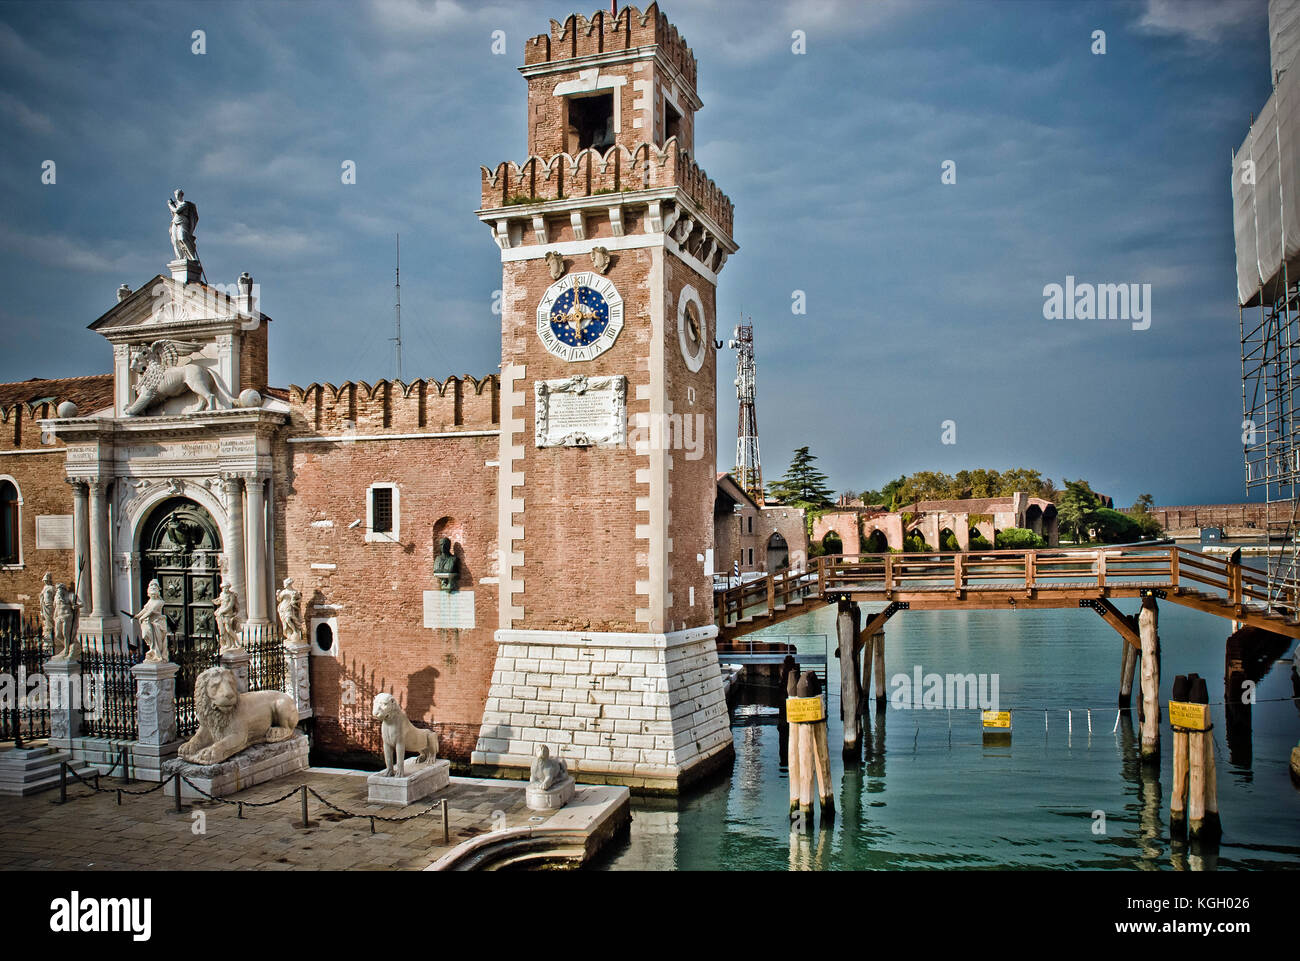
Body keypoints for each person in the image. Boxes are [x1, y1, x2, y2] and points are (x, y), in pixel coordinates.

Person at [136, 579, 169, 662]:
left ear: (158, 590)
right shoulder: (150, 601)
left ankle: (157, 655)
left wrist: (141, 618)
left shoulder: (160, 602)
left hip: (157, 624)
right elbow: (145, 609)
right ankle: (153, 651)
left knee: (157, 641)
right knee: (145, 635)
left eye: (155, 588)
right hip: (149, 623)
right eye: (151, 587)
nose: (153, 589)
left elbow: (151, 611)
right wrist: (137, 615)